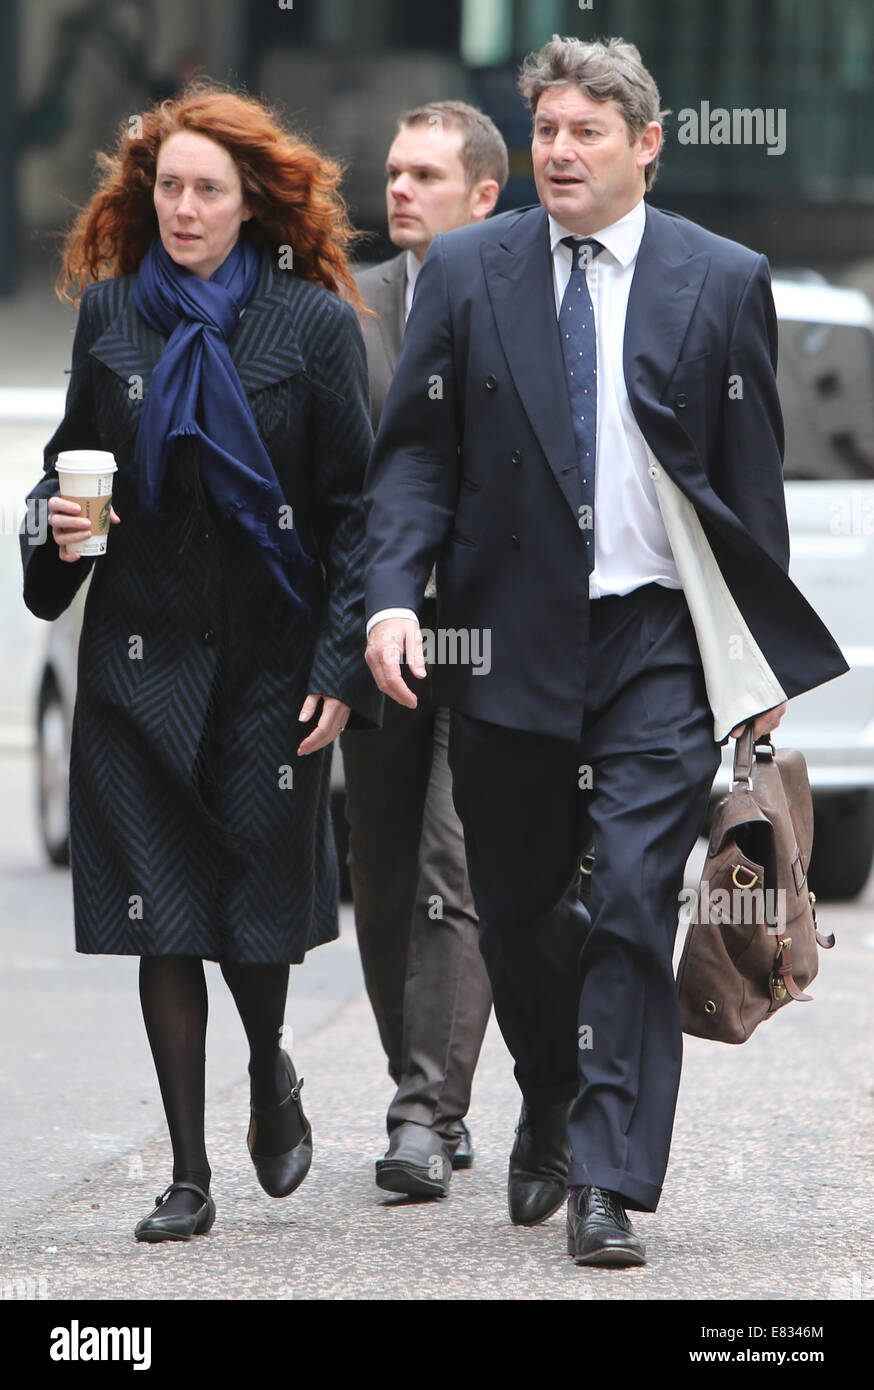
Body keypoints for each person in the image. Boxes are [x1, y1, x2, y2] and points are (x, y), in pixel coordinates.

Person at [363, 36, 848, 1267]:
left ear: (646, 145)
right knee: (520, 906)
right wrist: (388, 597)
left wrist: (754, 673)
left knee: (634, 896)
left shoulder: (720, 276)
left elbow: (749, 486)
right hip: (506, 639)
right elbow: (417, 455)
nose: (561, 152)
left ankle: (608, 1177)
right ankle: (554, 1088)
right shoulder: (472, 272)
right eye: (546, 132)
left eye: (587, 132)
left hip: (654, 640)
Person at [20, 82, 380, 1243]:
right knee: (161, 916)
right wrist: (54, 527)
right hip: (139, 657)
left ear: (251, 202)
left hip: (273, 663)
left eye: (206, 190)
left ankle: (270, 1061)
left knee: (252, 919)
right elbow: (59, 470)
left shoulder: (313, 326)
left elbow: (353, 512)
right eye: (167, 186)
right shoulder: (113, 316)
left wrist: (338, 656)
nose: (183, 207)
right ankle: (188, 1170)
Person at [341, 102, 507, 1199]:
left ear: (483, 195)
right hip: (377, 626)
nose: (398, 189)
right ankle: (423, 1082)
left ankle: (422, 1111)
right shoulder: (344, 309)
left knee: (456, 859)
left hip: (489, 630)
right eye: (393, 173)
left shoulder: (525, 299)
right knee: (385, 866)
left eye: (425, 175)